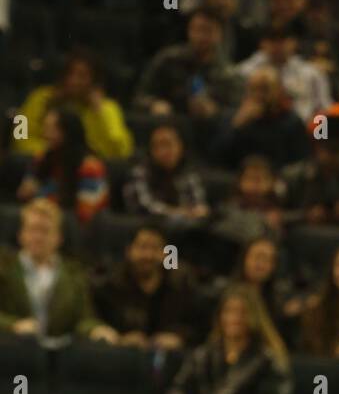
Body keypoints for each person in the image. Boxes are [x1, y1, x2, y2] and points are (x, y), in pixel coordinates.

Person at [166, 283, 292, 394]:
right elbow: (177, 389)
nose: (234, 319)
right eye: (229, 311)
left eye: (241, 313)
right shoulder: (203, 355)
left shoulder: (269, 359)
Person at [0, 199, 117, 342]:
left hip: (61, 353)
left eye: (45, 231)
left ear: (58, 238)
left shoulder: (74, 273)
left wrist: (96, 329)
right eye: (32, 229)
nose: (38, 237)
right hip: (15, 351)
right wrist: (13, 325)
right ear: (21, 235)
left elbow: (84, 319)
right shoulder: (4, 267)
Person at [14, 49, 133, 160]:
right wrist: (50, 155)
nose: (73, 81)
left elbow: (122, 151)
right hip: (42, 165)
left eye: (81, 76)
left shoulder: (108, 108)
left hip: (86, 171)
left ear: (94, 80)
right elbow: (19, 137)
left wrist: (100, 112)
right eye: (69, 73)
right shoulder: (39, 97)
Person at [95, 225, 200, 350]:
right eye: (142, 247)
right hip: (121, 355)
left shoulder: (181, 284)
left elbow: (198, 325)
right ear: (128, 251)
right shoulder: (110, 285)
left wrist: (179, 337)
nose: (148, 255)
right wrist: (120, 338)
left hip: (171, 357)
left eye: (155, 248)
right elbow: (100, 324)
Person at [134, 9, 244, 118]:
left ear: (219, 34)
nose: (200, 36)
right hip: (170, 123)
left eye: (207, 30)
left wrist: (215, 111)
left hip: (210, 129)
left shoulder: (229, 74)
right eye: (196, 29)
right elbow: (140, 97)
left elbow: (236, 111)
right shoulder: (168, 60)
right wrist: (154, 104)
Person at [16, 107, 109, 224]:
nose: (45, 134)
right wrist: (27, 192)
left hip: (74, 229)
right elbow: (25, 195)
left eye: (51, 129)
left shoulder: (90, 167)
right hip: (38, 220)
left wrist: (47, 207)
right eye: (45, 127)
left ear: (67, 132)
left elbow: (86, 214)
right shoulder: (41, 159)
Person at [236, 24, 332, 124]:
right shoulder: (246, 72)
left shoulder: (311, 73)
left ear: (293, 43)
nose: (277, 46)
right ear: (263, 43)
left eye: (282, 40)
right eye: (272, 40)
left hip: (304, 130)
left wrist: (319, 135)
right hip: (260, 129)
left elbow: (325, 108)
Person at [123, 124, 209, 231]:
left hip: (185, 231)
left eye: (167, 144)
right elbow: (144, 207)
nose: (162, 151)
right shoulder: (140, 173)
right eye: (156, 146)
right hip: (150, 230)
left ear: (180, 146)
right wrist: (179, 213)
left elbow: (198, 205)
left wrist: (197, 211)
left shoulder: (189, 172)